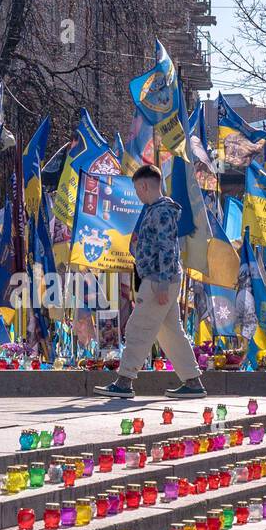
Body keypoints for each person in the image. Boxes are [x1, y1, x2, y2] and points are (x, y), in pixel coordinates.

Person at [95, 162, 206, 399]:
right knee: (171, 333)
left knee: (137, 328)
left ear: (145, 186)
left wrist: (163, 284)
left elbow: (167, 249)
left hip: (158, 280)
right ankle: (193, 382)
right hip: (161, 278)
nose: (137, 194)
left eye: (137, 190)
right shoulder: (158, 210)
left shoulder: (161, 211)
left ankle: (124, 381)